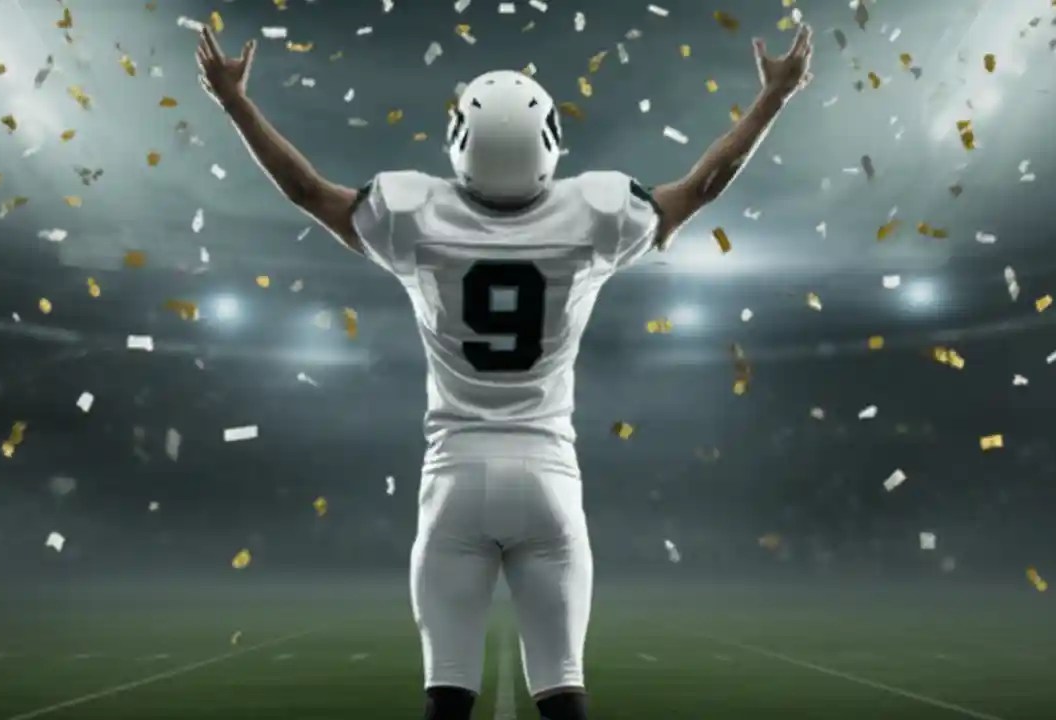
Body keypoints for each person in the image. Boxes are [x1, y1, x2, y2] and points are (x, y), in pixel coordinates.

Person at [197, 23, 813, 720]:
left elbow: (307, 190)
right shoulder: (598, 214)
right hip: (548, 478)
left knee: (448, 698)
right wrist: (774, 98)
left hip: (454, 479)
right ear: (549, 140)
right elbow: (704, 184)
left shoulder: (410, 214)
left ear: (459, 142)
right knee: (563, 692)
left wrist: (234, 102)